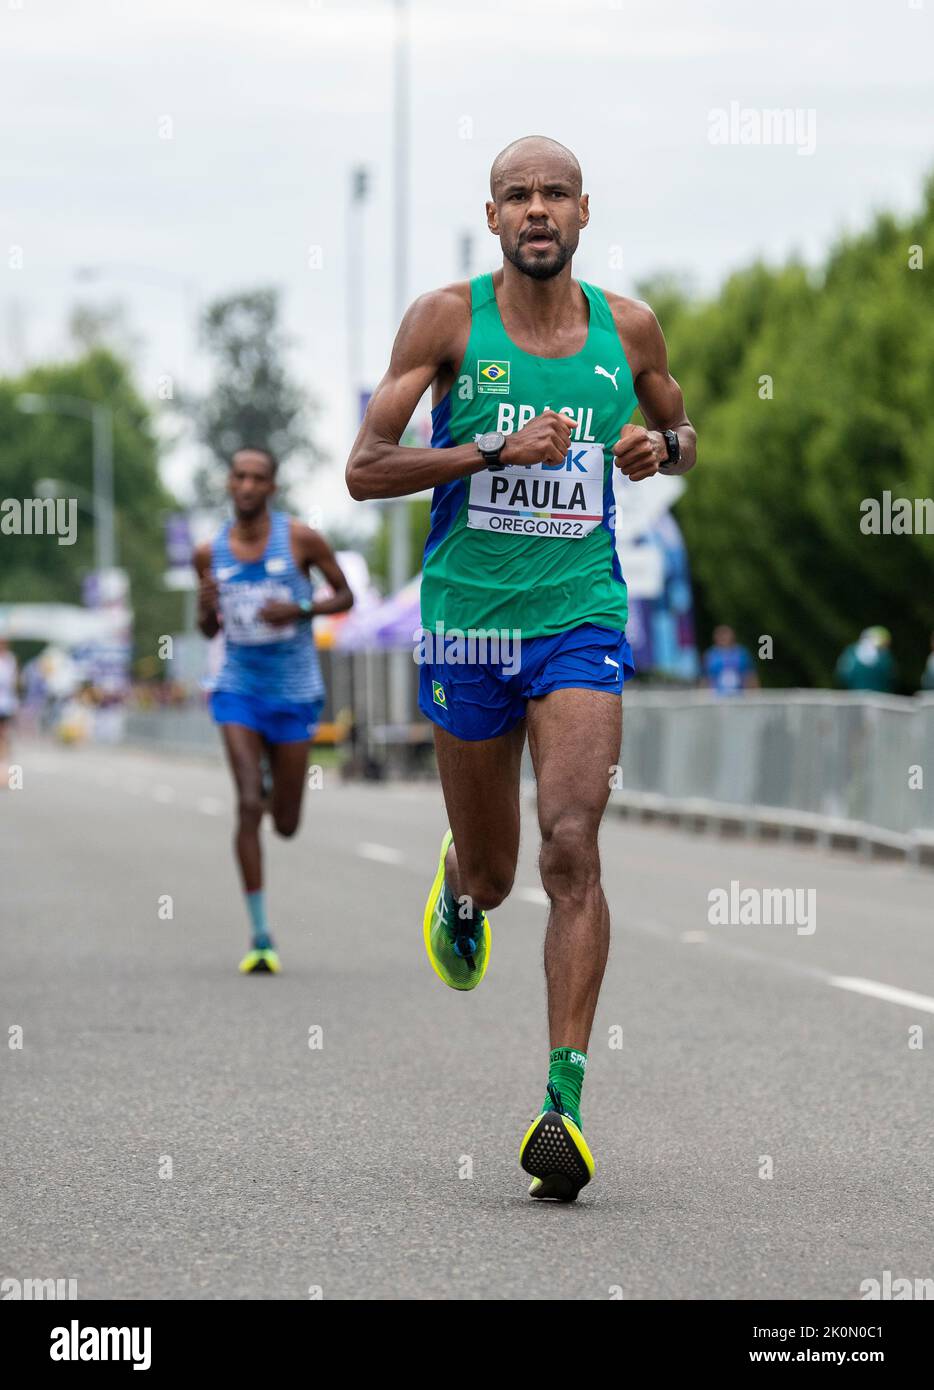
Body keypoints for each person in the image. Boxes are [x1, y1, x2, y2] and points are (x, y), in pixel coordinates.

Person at [345, 135, 696, 1201]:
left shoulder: (627, 329)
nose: (535, 209)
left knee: (572, 841)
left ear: (583, 213)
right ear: (491, 217)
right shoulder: (446, 321)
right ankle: (459, 883)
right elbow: (364, 470)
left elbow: (682, 437)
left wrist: (653, 450)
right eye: (516, 195)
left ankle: (563, 1102)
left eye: (553, 194)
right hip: (466, 624)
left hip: (578, 614)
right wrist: (494, 452)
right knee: (499, 874)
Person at [194, 447, 353, 973]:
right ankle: (260, 936)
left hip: (295, 692)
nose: (246, 485)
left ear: (271, 488)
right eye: (238, 476)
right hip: (238, 687)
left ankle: (270, 786)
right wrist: (204, 606)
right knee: (245, 803)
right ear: (228, 483)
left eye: (257, 478)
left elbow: (345, 596)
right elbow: (210, 630)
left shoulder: (301, 539)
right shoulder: (208, 552)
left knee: (284, 823)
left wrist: (299, 608)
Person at [834, 626, 896, 693]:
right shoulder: (884, 656)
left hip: (856, 695)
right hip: (878, 695)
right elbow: (891, 677)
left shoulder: (851, 652)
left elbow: (843, 675)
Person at [702, 625, 758, 695]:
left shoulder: (742, 653)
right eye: (720, 635)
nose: (723, 637)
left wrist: (754, 694)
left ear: (732, 636)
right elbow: (705, 677)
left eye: (725, 634)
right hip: (716, 697)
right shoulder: (710, 655)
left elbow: (750, 675)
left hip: (740, 695)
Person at [0, 638, 19, 784]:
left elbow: (14, 682)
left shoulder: (10, 659)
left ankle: (10, 774)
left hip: (5, 704)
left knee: (5, 735)